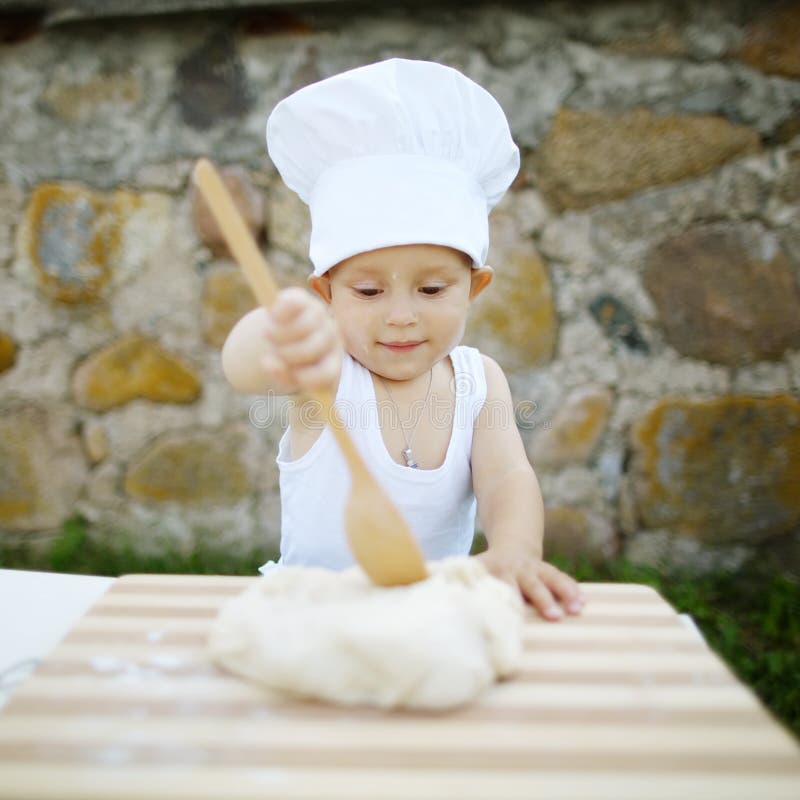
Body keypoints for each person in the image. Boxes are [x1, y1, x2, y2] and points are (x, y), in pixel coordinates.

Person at [222, 58, 585, 621]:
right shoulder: (325, 374)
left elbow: (507, 477)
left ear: (475, 286)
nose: (400, 316)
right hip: (309, 617)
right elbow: (246, 367)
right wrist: (276, 330)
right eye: (367, 292)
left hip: (433, 620)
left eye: (432, 289)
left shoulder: (478, 383)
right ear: (327, 291)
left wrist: (514, 550)